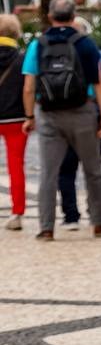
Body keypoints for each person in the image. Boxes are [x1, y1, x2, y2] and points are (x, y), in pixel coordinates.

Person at [20, 0, 101, 240]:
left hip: (49, 114)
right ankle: (100, 222)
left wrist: (29, 116)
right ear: (74, 17)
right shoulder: (85, 44)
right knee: (92, 170)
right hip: (83, 113)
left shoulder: (38, 44)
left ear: (50, 16)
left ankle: (47, 227)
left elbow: (29, 86)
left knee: (48, 173)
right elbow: (99, 83)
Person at [56, 45, 101, 230]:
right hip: (91, 116)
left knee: (65, 169)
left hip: (60, 116)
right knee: (93, 170)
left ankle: (70, 216)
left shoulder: (53, 53)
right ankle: (96, 214)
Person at [0, 15, 26, 230]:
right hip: (16, 118)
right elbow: (29, 89)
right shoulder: (22, 58)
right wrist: (30, 115)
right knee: (16, 166)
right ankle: (17, 213)